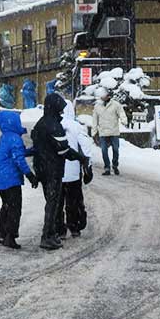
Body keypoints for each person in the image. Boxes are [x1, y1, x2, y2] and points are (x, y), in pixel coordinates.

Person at [31, 93, 88, 250]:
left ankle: (51, 234)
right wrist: (80, 158)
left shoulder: (41, 123)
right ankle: (47, 236)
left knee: (51, 203)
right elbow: (63, 150)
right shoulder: (54, 126)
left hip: (42, 169)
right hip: (53, 171)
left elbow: (37, 147)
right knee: (53, 204)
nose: (62, 113)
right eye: (60, 109)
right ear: (55, 108)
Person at [0, 110, 38, 249]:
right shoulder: (15, 138)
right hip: (10, 178)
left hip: (0, 177)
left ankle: (3, 233)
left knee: (6, 205)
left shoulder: (5, 137)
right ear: (13, 122)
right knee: (14, 208)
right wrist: (30, 175)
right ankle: (10, 237)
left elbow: (16, 153)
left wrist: (30, 151)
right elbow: (18, 159)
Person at [58, 99, 93, 238]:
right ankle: (74, 226)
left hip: (57, 171)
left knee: (58, 202)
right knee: (73, 200)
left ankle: (60, 228)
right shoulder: (76, 126)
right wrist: (87, 166)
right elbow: (85, 147)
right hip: (73, 171)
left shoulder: (53, 125)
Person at [93, 92, 127, 176]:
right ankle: (107, 167)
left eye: (105, 96)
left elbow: (121, 113)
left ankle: (115, 165)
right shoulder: (97, 106)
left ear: (108, 96)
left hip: (114, 131)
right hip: (103, 132)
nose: (103, 97)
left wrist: (124, 120)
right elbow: (95, 120)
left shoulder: (115, 105)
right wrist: (94, 131)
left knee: (115, 149)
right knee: (104, 150)